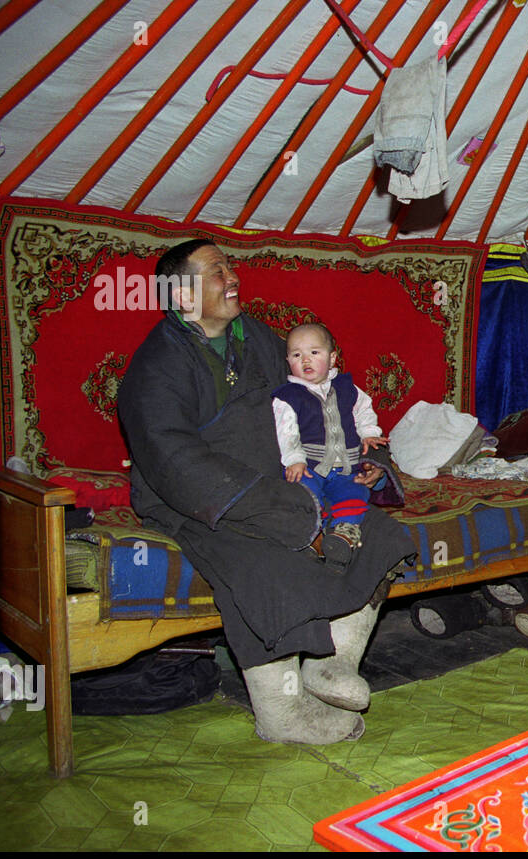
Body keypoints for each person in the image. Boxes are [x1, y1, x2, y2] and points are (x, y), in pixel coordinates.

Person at [117, 240, 416, 745]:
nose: (232, 276)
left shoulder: (257, 337)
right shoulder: (156, 365)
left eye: (230, 266)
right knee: (264, 564)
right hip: (200, 498)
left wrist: (361, 461)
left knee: (377, 532)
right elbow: (169, 456)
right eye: (216, 271)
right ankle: (280, 711)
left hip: (286, 477)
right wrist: (271, 506)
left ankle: (332, 663)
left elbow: (317, 395)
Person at [273, 322, 389, 572]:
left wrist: (369, 433)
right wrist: (294, 458)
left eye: (315, 353)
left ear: (332, 357)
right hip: (310, 464)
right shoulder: (288, 396)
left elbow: (364, 411)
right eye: (296, 355)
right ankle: (312, 532)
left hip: (346, 465)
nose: (306, 360)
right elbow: (286, 431)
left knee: (356, 493)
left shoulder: (348, 388)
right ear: (288, 361)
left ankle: (343, 535)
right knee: (303, 491)